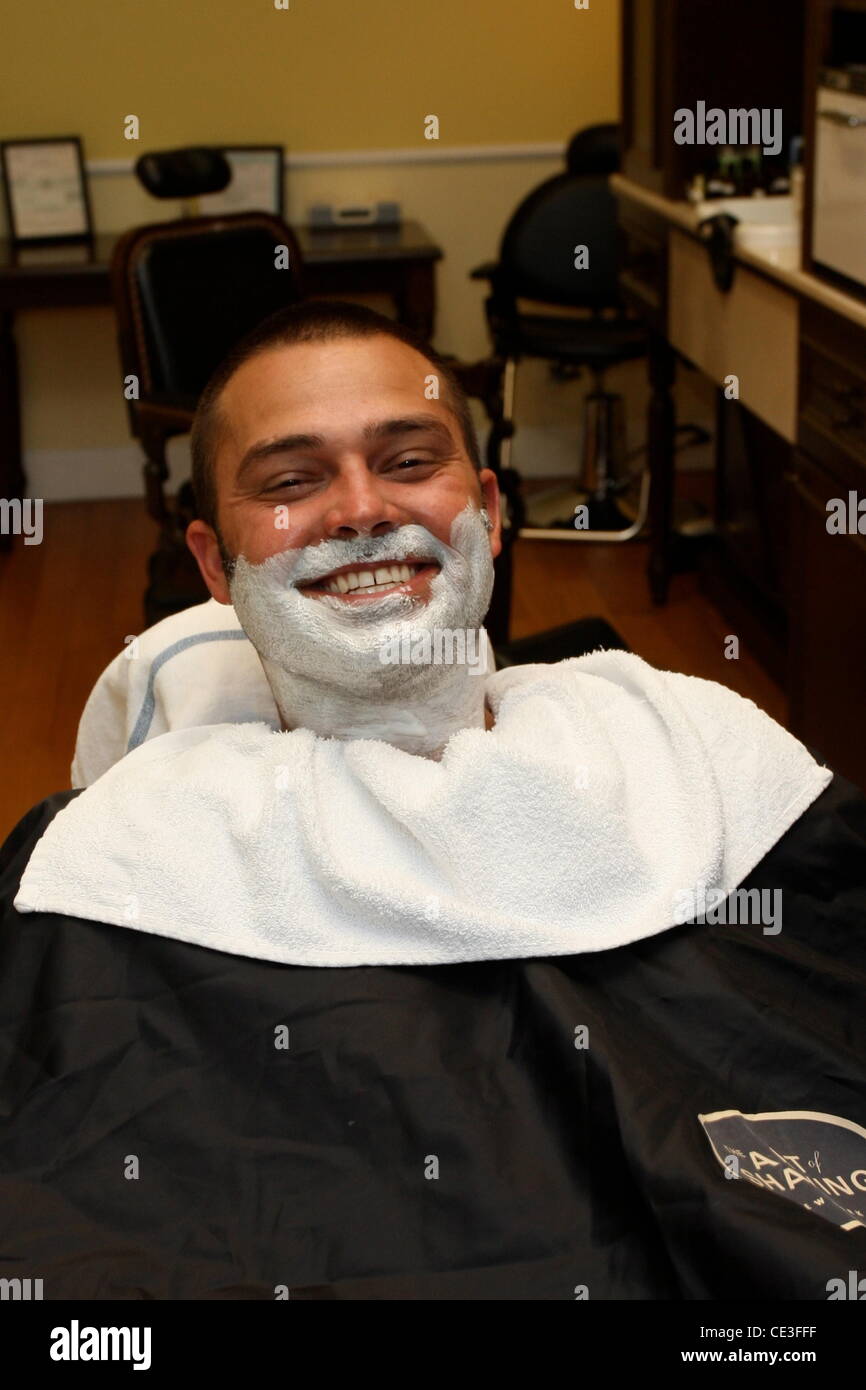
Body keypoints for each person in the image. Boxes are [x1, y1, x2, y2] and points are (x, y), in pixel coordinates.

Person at [1, 301, 864, 1300]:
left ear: (489, 510)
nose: (360, 508)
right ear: (213, 567)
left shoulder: (693, 751)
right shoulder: (127, 844)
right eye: (291, 480)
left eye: (408, 461)